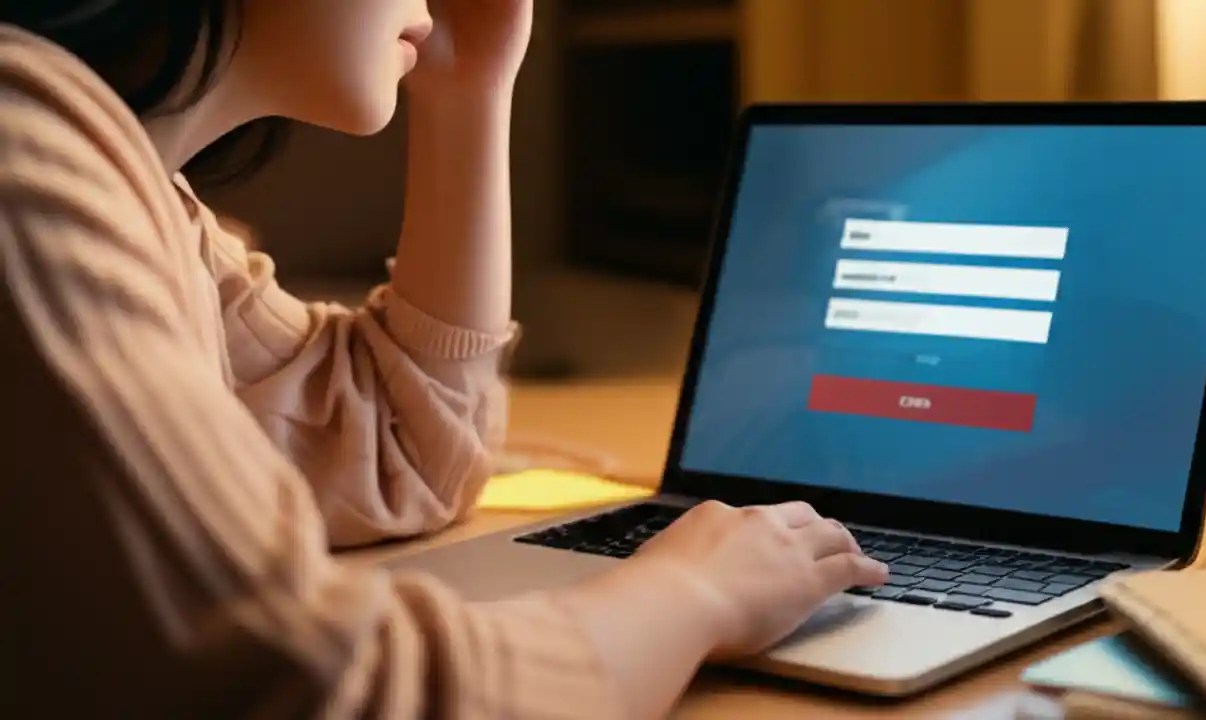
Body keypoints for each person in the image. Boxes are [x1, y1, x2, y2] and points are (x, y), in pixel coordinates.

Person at [0, 1, 888, 717]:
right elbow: (323, 686)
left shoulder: (140, 198)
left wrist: (467, 95)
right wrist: (695, 595)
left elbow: (395, 451)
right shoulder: (23, 165)